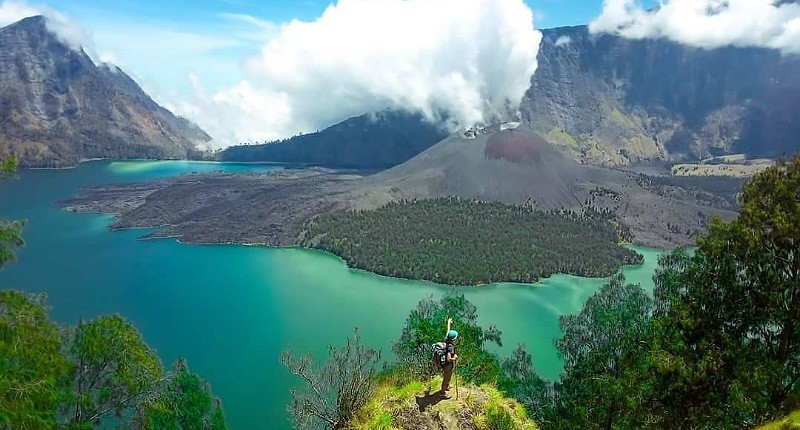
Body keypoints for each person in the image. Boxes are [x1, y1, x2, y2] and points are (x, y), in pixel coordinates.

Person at [441, 317, 459, 395]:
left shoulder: (446, 339)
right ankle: (443, 392)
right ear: (454, 340)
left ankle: (447, 386)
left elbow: (448, 330)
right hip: (447, 365)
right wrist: (454, 357)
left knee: (449, 375)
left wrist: (449, 322)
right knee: (446, 377)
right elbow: (449, 359)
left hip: (444, 364)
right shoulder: (450, 347)